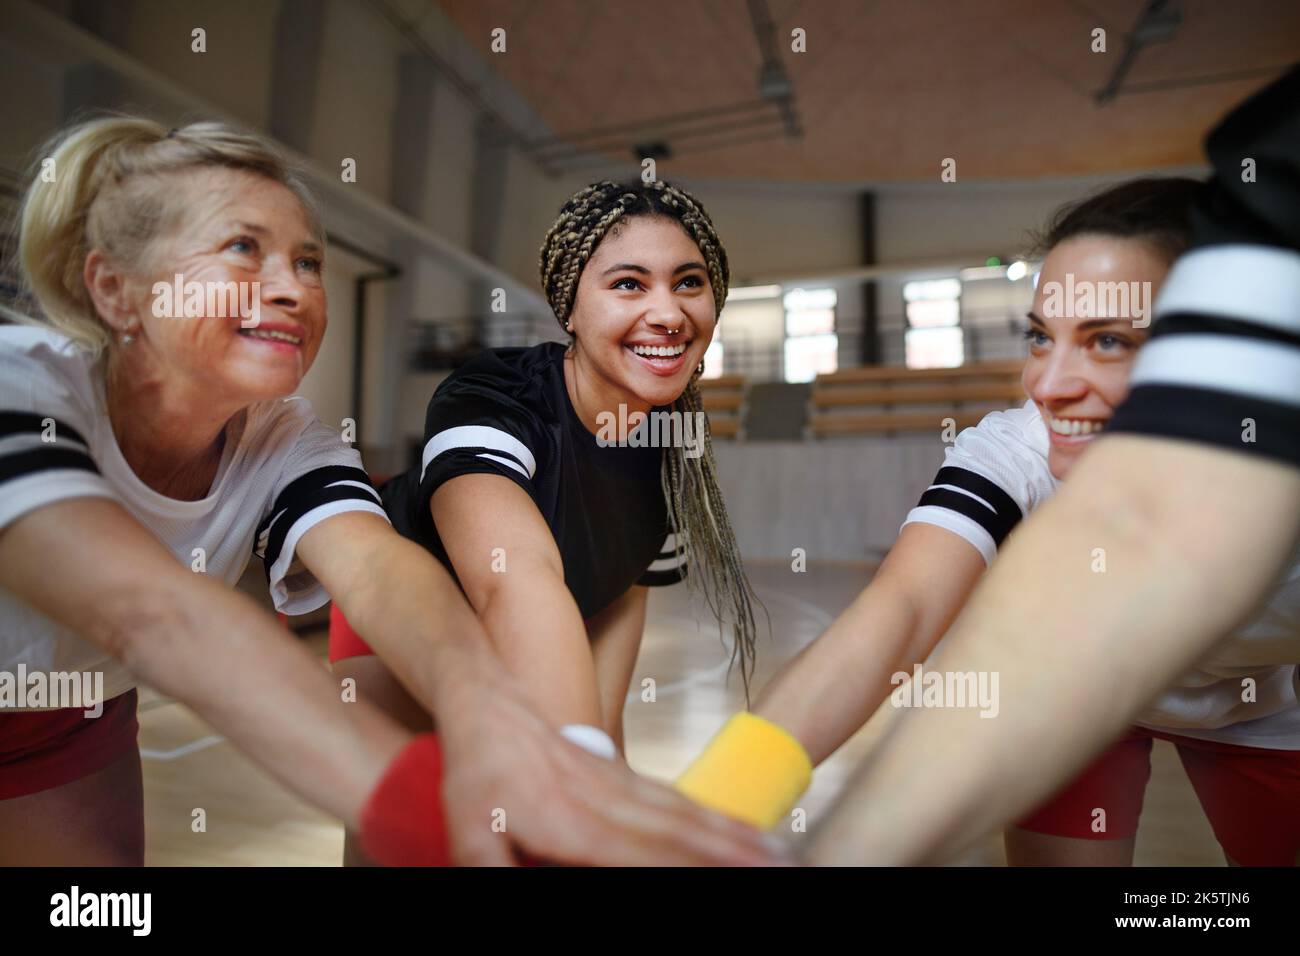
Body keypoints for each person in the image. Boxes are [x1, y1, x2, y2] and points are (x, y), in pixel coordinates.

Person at [0, 117, 778, 867]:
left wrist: (517, 731)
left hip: (76, 717)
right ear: (114, 289)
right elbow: (149, 614)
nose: (292, 289)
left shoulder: (283, 437)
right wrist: (436, 804)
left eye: (308, 263)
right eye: (245, 249)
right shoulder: (20, 384)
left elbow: (378, 569)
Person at [679, 176, 1300, 866]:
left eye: (1109, 342)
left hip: (1268, 712)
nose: (1047, 384)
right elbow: (903, 607)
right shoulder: (1020, 444)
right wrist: (707, 809)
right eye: (1041, 337)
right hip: (1076, 684)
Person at [329, 178, 768, 863]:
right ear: (570, 306)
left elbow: (611, 637)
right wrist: (580, 772)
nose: (669, 311)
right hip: (402, 612)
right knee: (417, 823)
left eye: (689, 282)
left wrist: (602, 778)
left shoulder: (672, 449)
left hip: (546, 627)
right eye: (628, 284)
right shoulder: (491, 397)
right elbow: (516, 580)